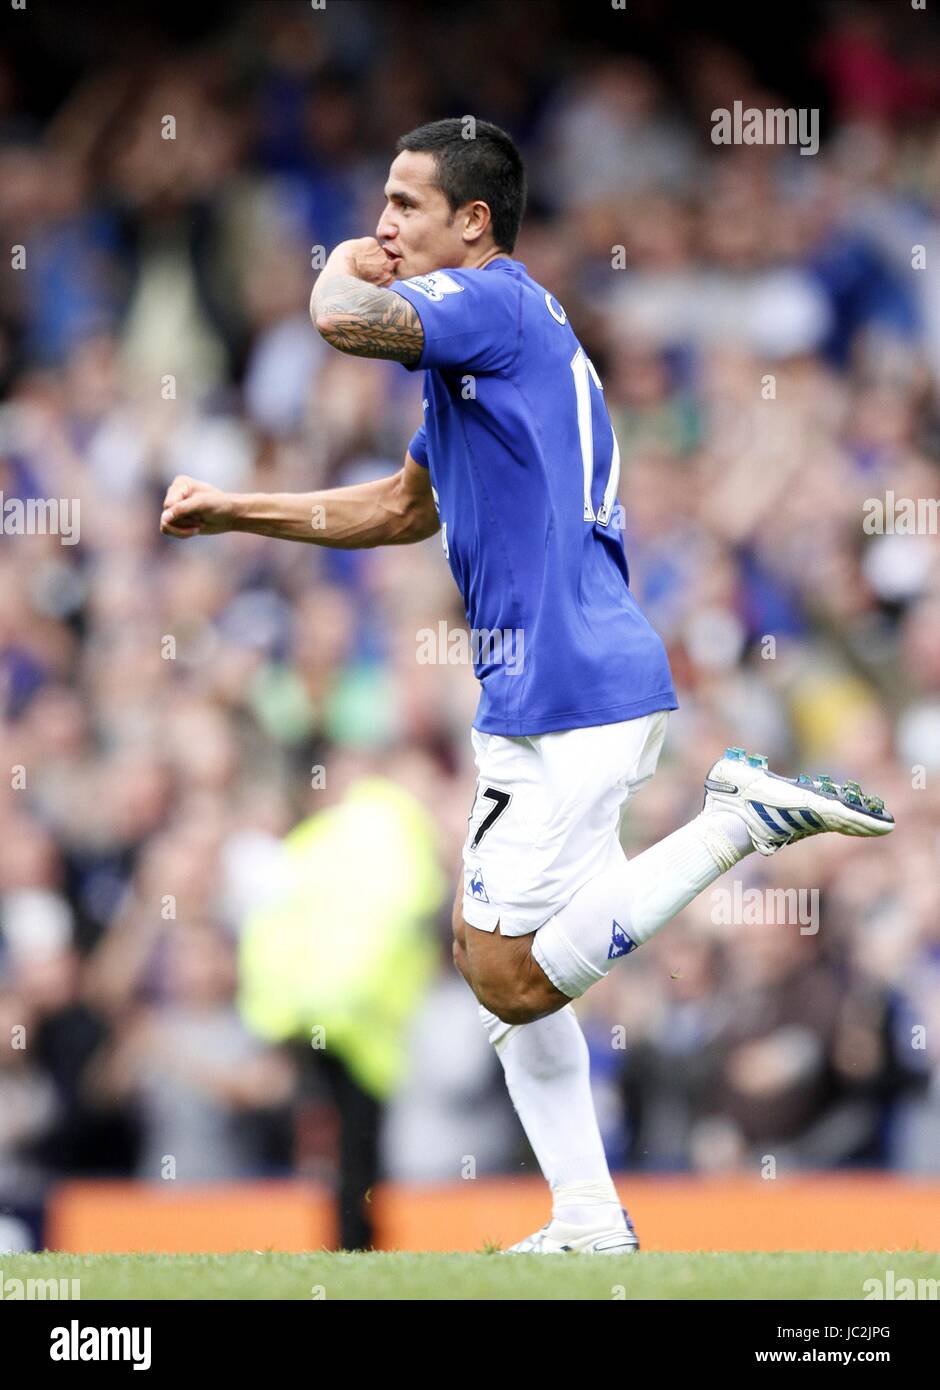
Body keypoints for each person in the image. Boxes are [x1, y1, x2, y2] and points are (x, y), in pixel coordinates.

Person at [160, 118, 895, 1255]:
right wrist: (236, 511)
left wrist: (338, 264)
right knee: (511, 981)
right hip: (572, 681)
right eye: (380, 203)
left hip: (563, 684)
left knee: (499, 974)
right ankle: (591, 1219)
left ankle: (733, 823)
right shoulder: (489, 347)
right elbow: (405, 510)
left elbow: (340, 318)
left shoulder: (491, 302)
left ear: (474, 223)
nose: (384, 224)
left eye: (406, 205)